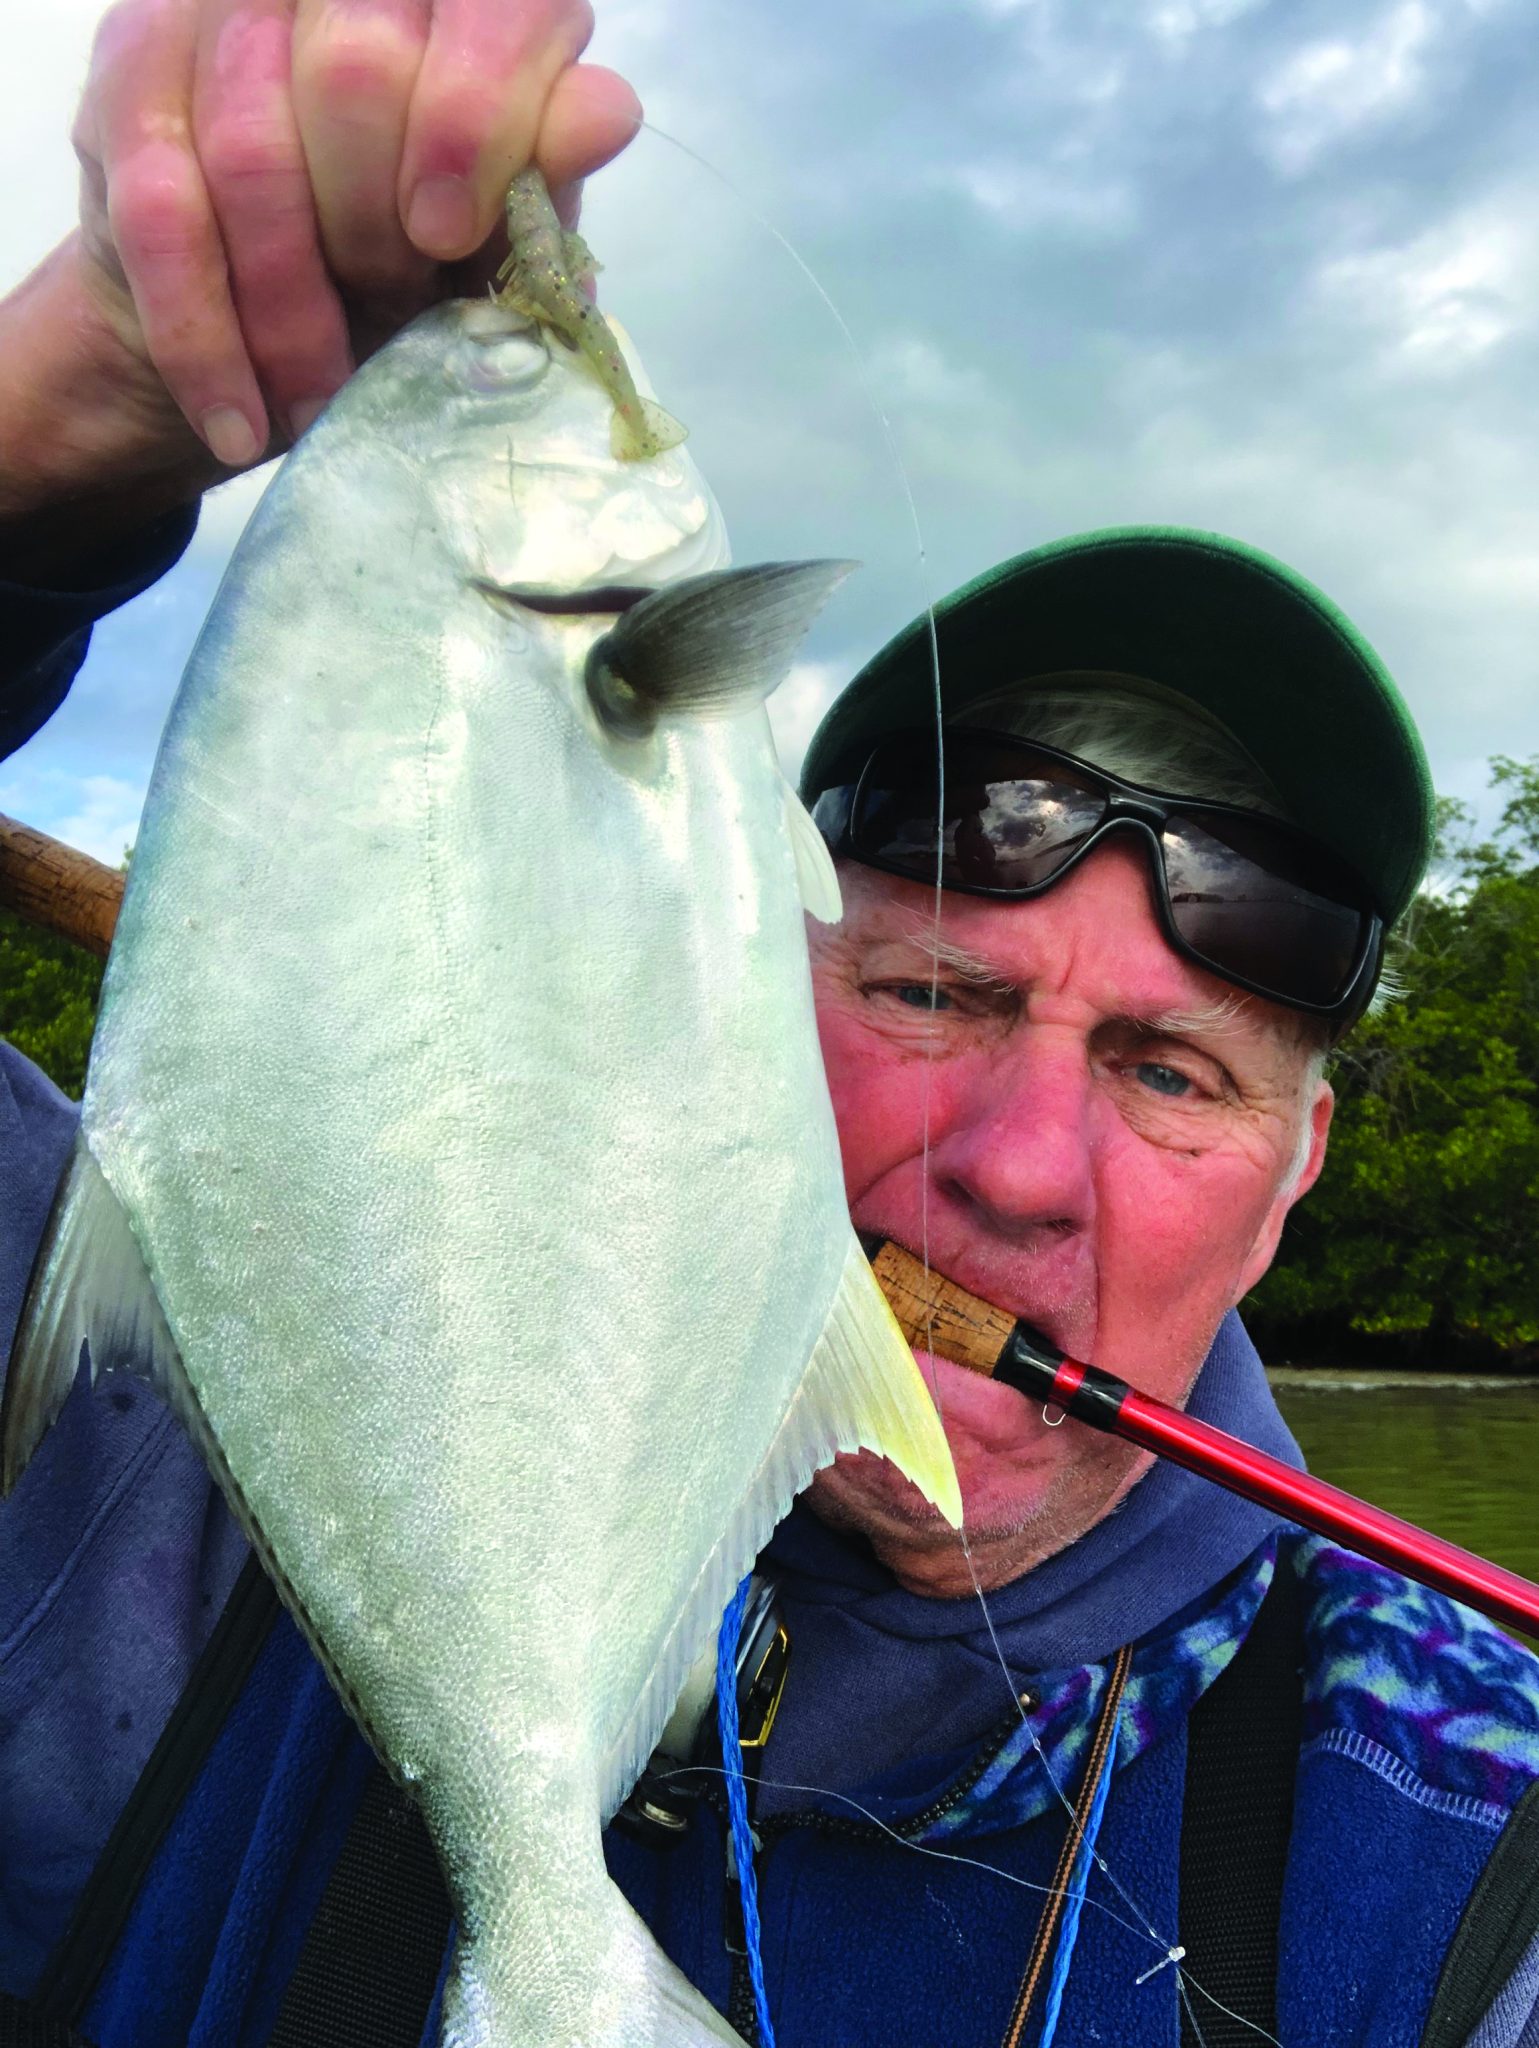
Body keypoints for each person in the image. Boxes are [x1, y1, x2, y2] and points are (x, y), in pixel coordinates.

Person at [2, 6, 1537, 2044]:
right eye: (925, 992)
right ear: (732, 1007)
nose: (1007, 1161)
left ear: (1286, 1192)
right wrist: (33, 475)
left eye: (1169, 1074)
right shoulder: (188, 1453)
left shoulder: (1462, 1834)